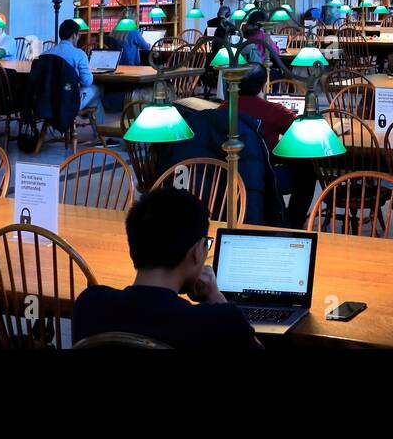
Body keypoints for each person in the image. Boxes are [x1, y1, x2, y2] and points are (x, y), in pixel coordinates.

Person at [72, 187, 261, 349]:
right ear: (197, 251)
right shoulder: (220, 322)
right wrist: (215, 297)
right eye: (206, 245)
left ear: (132, 248)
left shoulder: (89, 305)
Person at [220, 63, 315, 228]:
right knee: (308, 167)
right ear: (262, 85)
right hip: (264, 175)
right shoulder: (273, 110)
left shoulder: (223, 108)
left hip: (226, 174)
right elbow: (302, 133)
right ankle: (293, 222)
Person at [46, 18, 103, 117]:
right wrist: (88, 70)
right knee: (98, 89)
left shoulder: (46, 54)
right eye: (78, 35)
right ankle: (100, 130)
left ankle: (85, 116)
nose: (79, 37)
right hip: (68, 100)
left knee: (95, 103)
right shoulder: (79, 54)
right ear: (73, 35)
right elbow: (87, 81)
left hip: (48, 99)